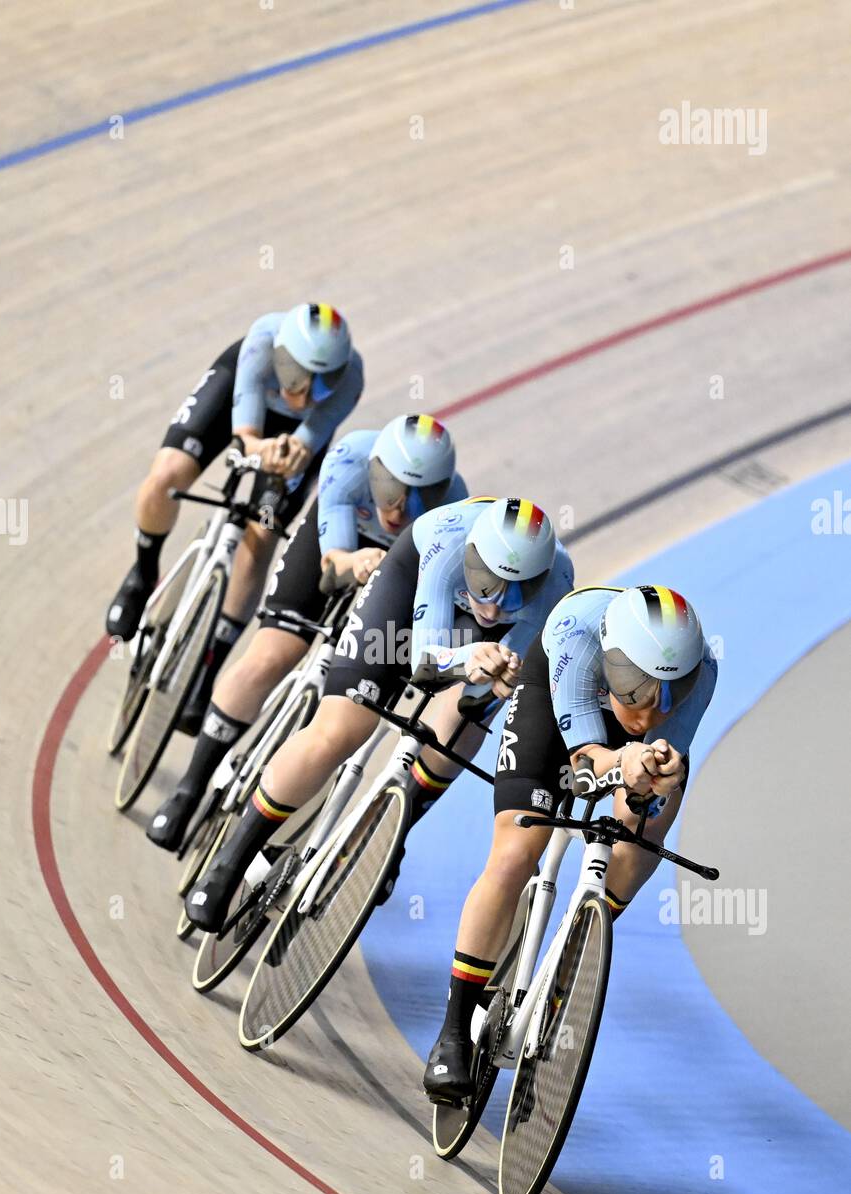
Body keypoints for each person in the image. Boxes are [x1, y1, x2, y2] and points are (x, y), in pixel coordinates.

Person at [185, 496, 576, 933]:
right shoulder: (448, 540)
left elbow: (503, 669)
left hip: (482, 641)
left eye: (518, 591)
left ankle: (398, 824)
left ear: (540, 580)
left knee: (463, 721)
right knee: (340, 729)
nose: (495, 604)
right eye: (487, 583)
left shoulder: (558, 583)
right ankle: (230, 860)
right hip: (408, 596)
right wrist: (467, 658)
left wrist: (497, 679)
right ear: (472, 555)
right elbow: (426, 658)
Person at [423, 583, 719, 1102]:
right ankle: (452, 1031)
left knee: (639, 844)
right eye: (638, 690)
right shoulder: (576, 637)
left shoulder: (705, 671)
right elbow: (584, 769)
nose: (651, 712)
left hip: (628, 752)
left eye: (670, 693)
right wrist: (623, 761)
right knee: (516, 851)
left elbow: (656, 763)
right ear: (615, 666)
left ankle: (568, 959)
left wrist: (658, 775)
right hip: (556, 706)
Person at [146, 414, 467, 850]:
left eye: (418, 500)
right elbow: (331, 564)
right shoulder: (350, 458)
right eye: (391, 492)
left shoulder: (454, 510)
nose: (397, 510)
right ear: (374, 471)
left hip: (401, 570)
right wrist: (350, 563)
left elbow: (430, 597)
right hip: (338, 545)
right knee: (271, 655)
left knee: (357, 703)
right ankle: (189, 787)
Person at [106, 302, 363, 730]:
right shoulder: (263, 341)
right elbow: (243, 437)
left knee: (262, 534)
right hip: (239, 403)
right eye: (300, 379)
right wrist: (256, 448)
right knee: (168, 475)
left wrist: (292, 455)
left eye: (321, 386)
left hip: (290, 439)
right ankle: (142, 572)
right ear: (284, 359)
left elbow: (309, 438)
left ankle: (209, 669)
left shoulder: (351, 378)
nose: (304, 394)